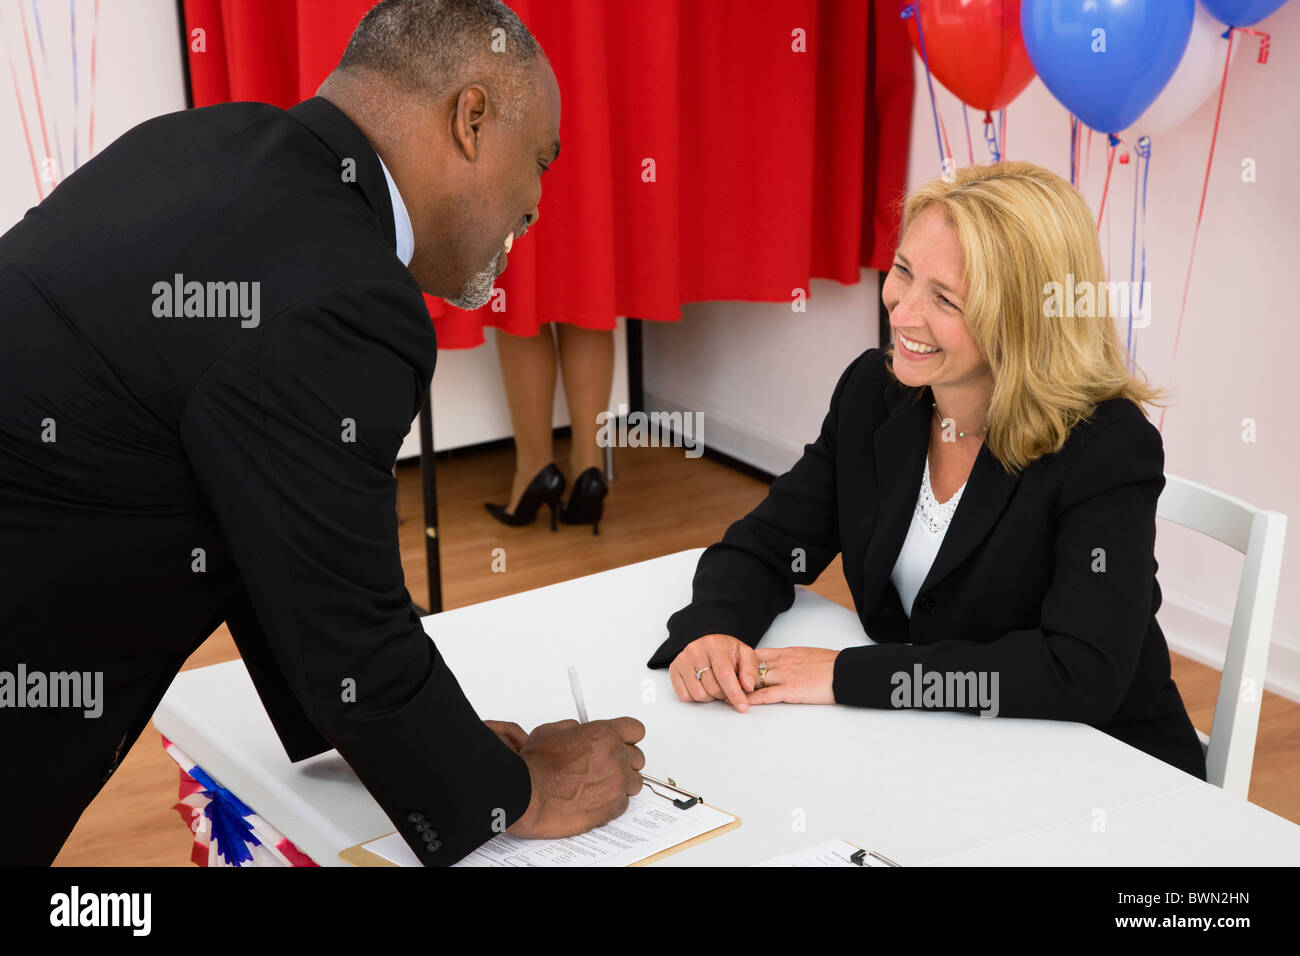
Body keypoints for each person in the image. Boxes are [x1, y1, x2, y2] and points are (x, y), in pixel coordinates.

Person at [0, 0, 644, 867]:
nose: (533, 208)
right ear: (472, 117)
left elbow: (267, 524)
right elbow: (345, 614)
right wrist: (516, 793)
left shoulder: (199, 143)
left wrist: (398, 731)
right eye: (539, 163)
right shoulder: (344, 289)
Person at [648, 161, 1207, 781]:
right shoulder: (875, 392)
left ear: (1020, 319)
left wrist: (842, 674)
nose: (904, 313)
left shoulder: (1107, 444)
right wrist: (715, 629)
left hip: (1102, 770)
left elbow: (1078, 671)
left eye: (945, 299)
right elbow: (765, 547)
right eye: (904, 273)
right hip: (945, 751)